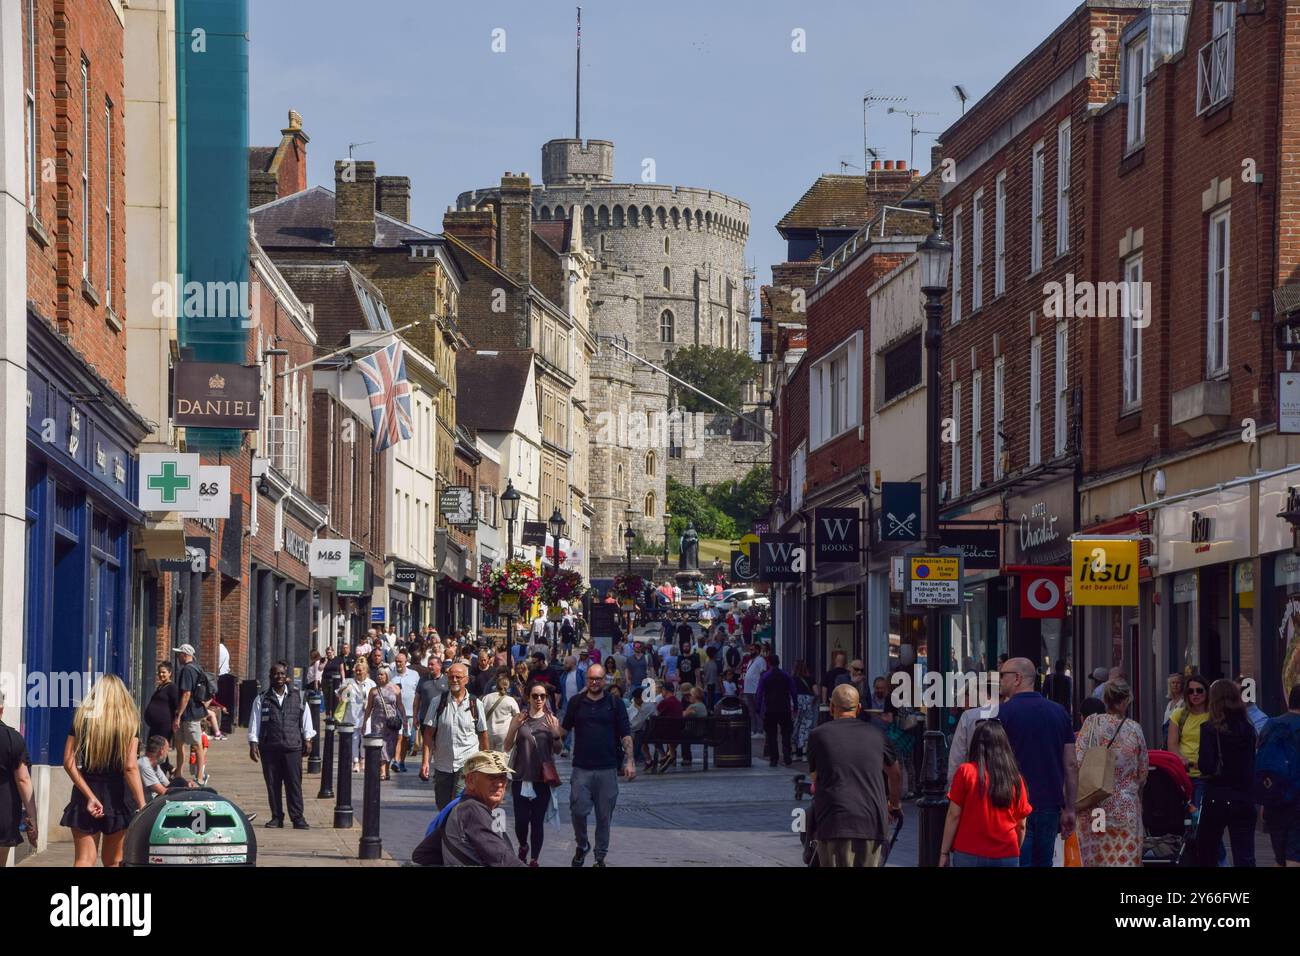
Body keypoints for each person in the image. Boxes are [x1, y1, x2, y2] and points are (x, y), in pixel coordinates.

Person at [806, 685, 902, 867]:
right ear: (858, 708)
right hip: (871, 822)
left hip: (833, 821)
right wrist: (894, 804)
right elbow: (895, 773)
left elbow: (815, 781)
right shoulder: (877, 735)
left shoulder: (817, 735)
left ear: (832, 707)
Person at [996, 657, 1077, 866]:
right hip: (1050, 804)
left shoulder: (1002, 714)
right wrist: (1070, 808)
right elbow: (1070, 764)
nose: (999, 680)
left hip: (1013, 805)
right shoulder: (1059, 713)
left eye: (1002, 675)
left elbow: (994, 762)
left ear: (1017, 678)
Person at [60, 675, 146, 866]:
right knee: (114, 861)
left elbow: (68, 761)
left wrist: (89, 796)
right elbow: (130, 766)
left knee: (84, 859)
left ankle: (77, 897)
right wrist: (142, 804)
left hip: (86, 794)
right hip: (118, 797)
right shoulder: (129, 723)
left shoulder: (82, 719)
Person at [562, 663, 634, 866]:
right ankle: (582, 844)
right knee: (577, 811)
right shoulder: (577, 702)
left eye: (598, 679)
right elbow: (563, 730)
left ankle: (600, 857)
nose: (594, 682)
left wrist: (630, 761)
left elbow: (625, 734)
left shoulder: (615, 703)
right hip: (581, 768)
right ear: (586, 680)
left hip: (607, 768)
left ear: (605, 680)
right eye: (591, 679)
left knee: (604, 817)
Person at [940, 719, 1032, 867]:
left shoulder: (965, 772)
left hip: (968, 852)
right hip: (1005, 853)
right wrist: (1014, 850)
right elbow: (1021, 825)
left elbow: (953, 815)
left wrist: (944, 853)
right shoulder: (1015, 778)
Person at [1074, 679, 1147, 866]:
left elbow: (1078, 759)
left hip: (1094, 803)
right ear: (1126, 701)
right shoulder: (1134, 729)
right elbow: (1142, 772)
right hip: (1125, 806)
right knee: (1124, 860)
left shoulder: (1091, 722)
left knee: (1095, 858)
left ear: (1106, 699)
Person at [411, 751, 526, 867]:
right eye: (492, 777)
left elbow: (422, 854)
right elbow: (503, 860)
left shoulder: (470, 809)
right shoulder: (471, 810)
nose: (499, 784)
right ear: (470, 781)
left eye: (502, 777)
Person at [1196, 679, 1257, 867]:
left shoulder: (1209, 729)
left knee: (1207, 850)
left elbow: (1206, 765)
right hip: (1243, 797)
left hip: (1217, 796)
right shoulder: (1248, 729)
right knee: (1245, 853)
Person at [248, 661, 316, 828]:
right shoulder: (262, 698)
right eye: (275, 674)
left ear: (287, 677)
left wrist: (308, 739)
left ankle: (298, 818)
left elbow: (306, 718)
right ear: (270, 677)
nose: (279, 677)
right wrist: (253, 742)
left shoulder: (298, 696)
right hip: (270, 748)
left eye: (282, 674)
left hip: (293, 747)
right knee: (273, 784)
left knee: (294, 784)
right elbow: (255, 721)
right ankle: (276, 817)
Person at [504, 681, 563, 866]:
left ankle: (534, 859)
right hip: (521, 776)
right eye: (535, 696)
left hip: (542, 778)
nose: (539, 699)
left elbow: (559, 749)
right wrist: (514, 726)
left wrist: (555, 732)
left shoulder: (551, 720)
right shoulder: (520, 718)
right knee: (521, 821)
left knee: (537, 822)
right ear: (528, 697)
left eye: (543, 696)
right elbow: (506, 746)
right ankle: (523, 846)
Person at [420, 662, 490, 808]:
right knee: (442, 805)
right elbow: (428, 734)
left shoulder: (475, 704)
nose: (454, 680)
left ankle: (456, 829)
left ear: (466, 679)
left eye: (458, 677)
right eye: (451, 677)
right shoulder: (438, 702)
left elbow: (483, 735)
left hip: (466, 764)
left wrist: (485, 763)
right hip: (442, 763)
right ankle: (446, 829)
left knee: (459, 805)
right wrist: (425, 762)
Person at [1259, 683, 1300, 867]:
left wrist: (1263, 800)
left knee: (1280, 858)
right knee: (1295, 855)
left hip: (1274, 800)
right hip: (1297, 800)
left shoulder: (1270, 724)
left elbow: (1261, 764)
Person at [1, 688, 38, 852]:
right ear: (2, 709)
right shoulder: (12, 738)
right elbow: (23, 780)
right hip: (3, 815)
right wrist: (32, 819)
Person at [172, 643, 209, 787]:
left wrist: (178, 715)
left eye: (179, 654)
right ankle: (179, 774)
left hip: (189, 714)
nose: (177, 657)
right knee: (179, 744)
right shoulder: (196, 668)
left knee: (197, 744)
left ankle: (200, 777)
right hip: (191, 712)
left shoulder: (187, 670)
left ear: (185, 655)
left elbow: (186, 693)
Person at [363, 665, 404, 781]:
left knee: (391, 745)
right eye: (378, 674)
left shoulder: (395, 689)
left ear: (387, 676)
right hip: (377, 722)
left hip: (391, 722)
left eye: (382, 674)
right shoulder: (374, 691)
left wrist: (405, 719)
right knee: (381, 745)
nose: (379, 676)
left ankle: (387, 769)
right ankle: (382, 770)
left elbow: (400, 705)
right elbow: (368, 708)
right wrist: (365, 722)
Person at [756, 653, 797, 767]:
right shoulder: (786, 676)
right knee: (786, 733)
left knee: (771, 734)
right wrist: (796, 706)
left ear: (769, 663)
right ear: (779, 663)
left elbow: (760, 692)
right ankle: (787, 756)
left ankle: (774, 758)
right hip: (784, 707)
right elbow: (793, 691)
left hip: (770, 708)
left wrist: (758, 707)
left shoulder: (765, 676)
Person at [339, 659, 376, 773]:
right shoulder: (349, 682)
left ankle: (363, 760)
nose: (358, 672)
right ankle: (355, 761)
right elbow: (341, 696)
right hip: (352, 714)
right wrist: (344, 691)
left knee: (364, 738)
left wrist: (370, 705)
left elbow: (376, 697)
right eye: (357, 670)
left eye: (360, 670)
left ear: (366, 671)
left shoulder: (371, 683)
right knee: (354, 739)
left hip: (366, 715)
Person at [389, 652, 421, 772]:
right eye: (396, 661)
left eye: (400, 661)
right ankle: (395, 761)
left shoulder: (414, 675)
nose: (398, 664)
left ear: (405, 662)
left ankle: (401, 761)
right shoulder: (391, 675)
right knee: (399, 737)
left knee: (406, 739)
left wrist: (417, 712)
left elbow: (418, 694)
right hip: (396, 712)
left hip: (410, 712)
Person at [138, 735, 192, 801]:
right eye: (167, 751)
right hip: (144, 806)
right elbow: (163, 791)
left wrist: (187, 785)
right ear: (162, 751)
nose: (167, 754)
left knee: (179, 781)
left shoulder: (155, 765)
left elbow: (167, 784)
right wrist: (187, 790)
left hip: (152, 800)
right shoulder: (144, 765)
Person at [143, 662, 180, 750]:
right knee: (152, 748)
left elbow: (177, 705)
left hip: (165, 725)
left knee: (160, 749)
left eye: (164, 672)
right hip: (155, 725)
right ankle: (161, 764)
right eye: (159, 672)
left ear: (170, 673)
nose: (161, 674)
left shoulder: (172, 687)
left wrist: (177, 720)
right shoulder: (161, 687)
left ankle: (164, 764)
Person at [482, 672, 521, 752]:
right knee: (502, 760)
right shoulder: (510, 700)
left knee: (490, 759)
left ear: (496, 686)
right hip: (504, 733)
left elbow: (481, 714)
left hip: (488, 733)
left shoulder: (486, 698)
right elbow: (517, 716)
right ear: (508, 687)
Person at [791, 660, 817, 762]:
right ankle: (805, 754)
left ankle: (794, 754)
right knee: (806, 727)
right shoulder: (810, 679)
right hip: (807, 703)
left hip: (796, 704)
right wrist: (812, 700)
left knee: (795, 726)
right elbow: (816, 692)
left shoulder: (792, 679)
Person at [743, 647, 766, 738]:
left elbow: (762, 673)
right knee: (751, 711)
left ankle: (760, 731)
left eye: (752, 650)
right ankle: (753, 729)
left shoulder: (760, 660)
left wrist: (761, 688)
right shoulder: (750, 661)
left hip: (756, 689)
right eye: (750, 649)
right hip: (748, 690)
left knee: (758, 710)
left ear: (757, 650)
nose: (750, 651)